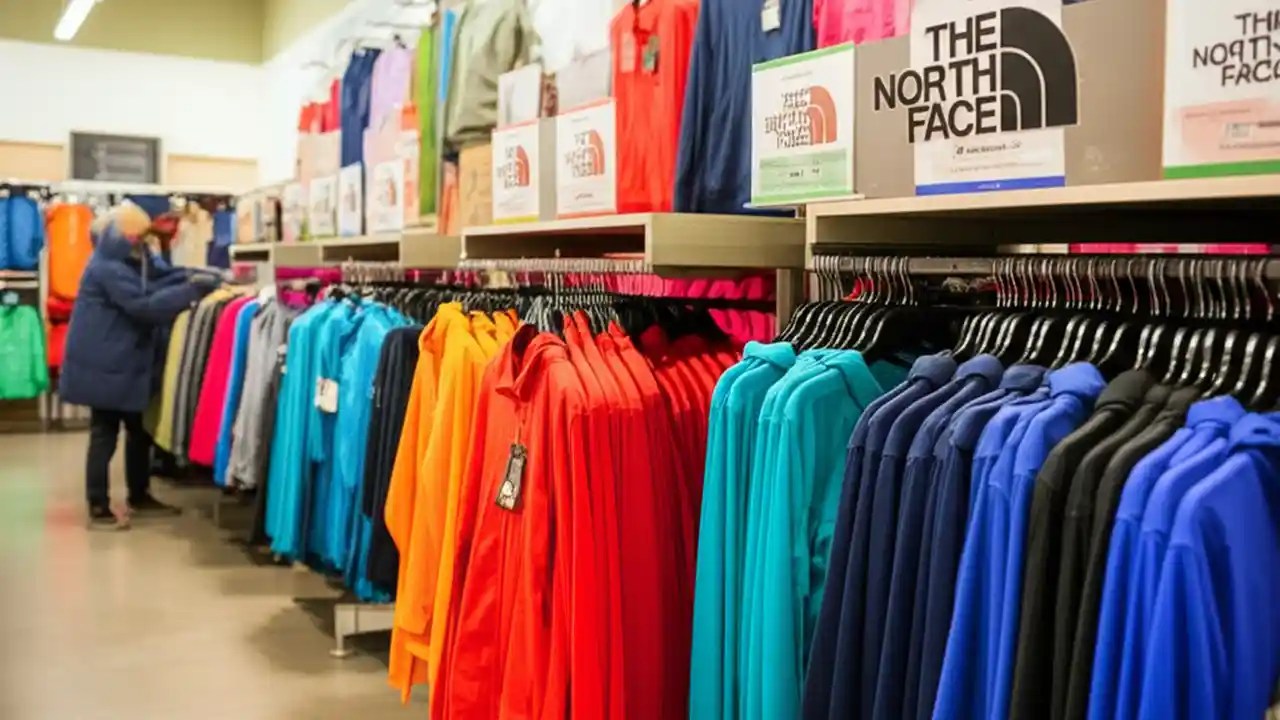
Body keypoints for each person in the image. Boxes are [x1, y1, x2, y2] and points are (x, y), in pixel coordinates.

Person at [60, 202, 220, 529]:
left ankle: (140, 494)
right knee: (105, 434)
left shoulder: (129, 259)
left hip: (125, 362)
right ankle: (98, 506)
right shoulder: (106, 267)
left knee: (138, 431)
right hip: (105, 365)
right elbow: (143, 305)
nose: (143, 240)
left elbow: (159, 276)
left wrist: (198, 275)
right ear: (125, 234)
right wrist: (192, 289)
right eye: (138, 235)